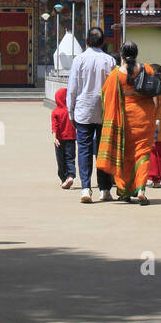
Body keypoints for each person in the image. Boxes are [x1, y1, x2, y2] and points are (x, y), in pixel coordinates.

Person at [96, 41, 159, 204]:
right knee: (143, 154)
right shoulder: (147, 68)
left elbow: (104, 94)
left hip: (125, 121)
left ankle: (124, 190)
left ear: (121, 55)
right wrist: (154, 115)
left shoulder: (116, 74)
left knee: (124, 155)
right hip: (145, 118)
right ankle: (141, 189)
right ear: (137, 53)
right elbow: (156, 94)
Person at [66, 26, 116, 204]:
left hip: (83, 109)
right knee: (104, 150)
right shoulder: (109, 60)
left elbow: (72, 88)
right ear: (103, 43)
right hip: (104, 110)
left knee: (84, 149)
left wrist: (70, 111)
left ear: (86, 41)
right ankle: (105, 188)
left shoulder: (79, 60)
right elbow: (113, 87)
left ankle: (86, 187)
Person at [51, 87, 76, 189]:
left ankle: (63, 178)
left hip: (59, 139)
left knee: (60, 159)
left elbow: (54, 126)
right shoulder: (70, 110)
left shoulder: (55, 112)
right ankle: (70, 176)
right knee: (70, 158)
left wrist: (54, 138)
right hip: (71, 138)